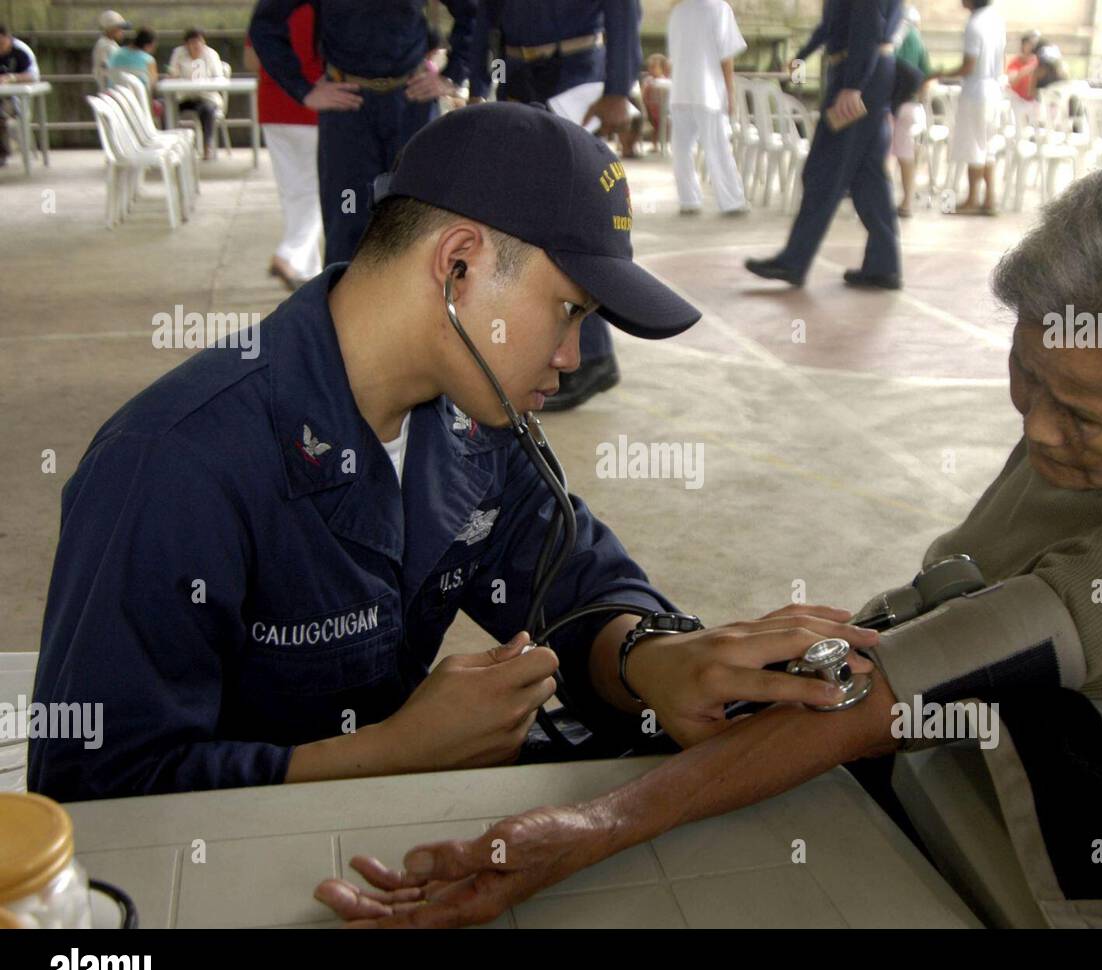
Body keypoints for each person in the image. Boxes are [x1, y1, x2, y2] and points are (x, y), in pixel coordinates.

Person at [312, 146, 1102, 927]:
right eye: (1025, 374)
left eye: (1080, 415)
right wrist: (656, 656)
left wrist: (590, 826)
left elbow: (880, 701)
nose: (1038, 425)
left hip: (956, 764)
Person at [28, 102, 875, 802]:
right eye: (570, 310)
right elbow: (94, 789)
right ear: (458, 266)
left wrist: (653, 658)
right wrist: (394, 753)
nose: (574, 358)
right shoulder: (171, 463)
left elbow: (573, 581)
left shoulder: (472, 425)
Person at [466, 1, 647, 412]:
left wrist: (618, 89)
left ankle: (594, 357)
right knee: (525, 223)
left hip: (577, 80)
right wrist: (477, 87)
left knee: (580, 219)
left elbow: (623, 9)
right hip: (516, 81)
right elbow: (484, 16)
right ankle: (542, 350)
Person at [248, 0, 476, 269]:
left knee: (422, 224)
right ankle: (344, 307)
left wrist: (452, 75)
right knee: (347, 224)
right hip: (348, 113)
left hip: (412, 106)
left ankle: (424, 308)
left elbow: (473, 13)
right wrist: (303, 89)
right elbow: (265, 26)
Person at [745, 0, 904, 291]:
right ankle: (884, 265)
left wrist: (853, 85)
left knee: (824, 170)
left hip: (857, 75)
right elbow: (833, 24)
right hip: (867, 71)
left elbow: (868, 24)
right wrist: (801, 56)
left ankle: (793, 261)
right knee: (868, 176)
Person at [244, 4, 324, 291]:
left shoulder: (268, 9)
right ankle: (290, 254)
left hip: (273, 108)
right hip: (316, 107)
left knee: (293, 191)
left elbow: (252, 59)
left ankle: (308, 269)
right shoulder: (326, 7)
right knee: (319, 190)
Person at [666, 0, 748, 216]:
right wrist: (729, 92)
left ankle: (688, 200)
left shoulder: (678, 11)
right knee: (718, 147)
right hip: (708, 88)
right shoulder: (720, 9)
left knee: (682, 149)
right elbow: (726, 56)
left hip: (681, 88)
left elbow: (673, 53)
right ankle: (731, 201)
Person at [934, 0, 1005, 215]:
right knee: (988, 145)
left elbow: (969, 65)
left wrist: (941, 73)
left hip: (976, 92)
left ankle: (973, 198)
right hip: (994, 90)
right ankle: (990, 197)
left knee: (974, 146)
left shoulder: (974, 25)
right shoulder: (996, 20)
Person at [890, 6, 930, 218]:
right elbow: (927, 75)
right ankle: (906, 202)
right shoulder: (919, 40)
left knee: (885, 155)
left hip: (890, 104)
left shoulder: (894, 35)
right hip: (911, 104)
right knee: (906, 155)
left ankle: (882, 201)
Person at [167, 27, 226, 160]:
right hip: (184, 97)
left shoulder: (211, 54)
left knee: (207, 110)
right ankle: (172, 148)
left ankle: (207, 147)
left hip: (206, 96)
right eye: (193, 42)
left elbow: (219, 77)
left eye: (200, 41)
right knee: (167, 107)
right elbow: (173, 74)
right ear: (186, 44)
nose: (197, 45)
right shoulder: (178, 53)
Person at [0, 25, 37, 168]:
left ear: (8, 39)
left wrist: (12, 78)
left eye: (2, 44)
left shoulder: (21, 52)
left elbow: (33, 76)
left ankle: (2, 154)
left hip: (15, 99)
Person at [106, 26, 158, 94]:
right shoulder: (149, 61)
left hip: (115, 98)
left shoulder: (115, 54)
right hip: (139, 100)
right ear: (148, 46)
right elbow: (153, 87)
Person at [92, 10, 131, 90]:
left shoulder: (107, 44)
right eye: (119, 29)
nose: (122, 32)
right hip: (110, 91)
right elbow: (113, 70)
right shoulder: (106, 46)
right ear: (111, 29)